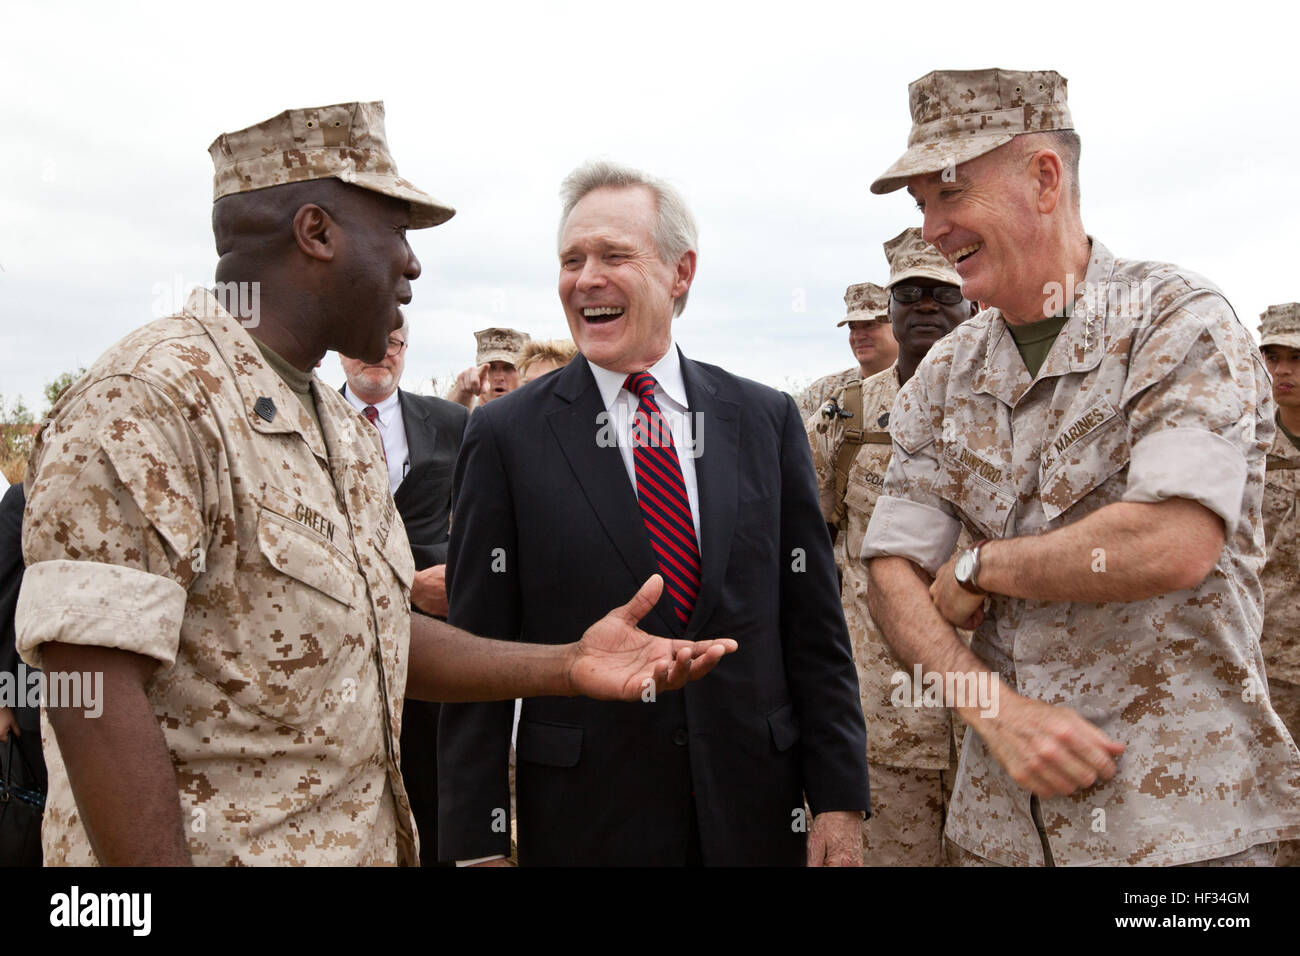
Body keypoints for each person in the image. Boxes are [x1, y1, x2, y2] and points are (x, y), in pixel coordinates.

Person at [13, 102, 736, 867]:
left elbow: (383, 640)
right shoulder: (148, 401)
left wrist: (565, 666)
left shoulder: (335, 425)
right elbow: (87, 691)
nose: (412, 264)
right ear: (317, 233)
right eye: (396, 231)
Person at [862, 68, 1300, 866]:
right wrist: (988, 706)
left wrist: (981, 564)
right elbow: (891, 574)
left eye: (949, 194)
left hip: (1179, 835)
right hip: (1000, 835)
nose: (933, 227)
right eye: (921, 204)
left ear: (1043, 176)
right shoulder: (948, 370)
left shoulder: (1174, 322)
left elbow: (1172, 539)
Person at [438, 160, 868, 867]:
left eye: (613, 255)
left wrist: (839, 801)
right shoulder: (504, 437)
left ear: (680, 272)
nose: (586, 279)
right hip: (589, 821)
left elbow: (815, 631)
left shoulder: (764, 420)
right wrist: (476, 846)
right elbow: (477, 659)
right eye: (571, 260)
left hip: (756, 814)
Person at [807, 227, 973, 864]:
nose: (926, 307)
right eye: (909, 295)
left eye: (942, 293)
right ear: (891, 308)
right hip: (881, 714)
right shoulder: (842, 417)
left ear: (972, 306)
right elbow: (810, 547)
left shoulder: (1013, 403)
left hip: (992, 715)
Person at [340, 309, 470, 866]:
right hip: (340, 630)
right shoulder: (299, 415)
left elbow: (477, 518)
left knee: (430, 771)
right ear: (338, 348)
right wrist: (399, 584)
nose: (381, 350)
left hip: (433, 635)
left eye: (394, 341)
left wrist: (458, 579)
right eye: (367, 337)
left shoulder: (450, 422)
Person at [1258, 302, 1300, 867]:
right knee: (1274, 805)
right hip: (1264, 657)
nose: (1284, 369)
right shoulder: (1244, 437)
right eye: (1274, 355)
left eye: (1296, 356)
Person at [795, 284, 899, 421]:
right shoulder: (822, 393)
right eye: (853, 327)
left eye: (869, 325)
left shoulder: (922, 384)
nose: (858, 336)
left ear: (896, 324)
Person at [446, 328, 530, 410]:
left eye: (508, 368)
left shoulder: (536, 418)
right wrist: (462, 395)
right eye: (491, 368)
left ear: (523, 375)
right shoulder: (472, 418)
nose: (499, 377)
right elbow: (449, 419)